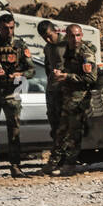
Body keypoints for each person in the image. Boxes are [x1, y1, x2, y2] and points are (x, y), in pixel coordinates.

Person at [0, 14, 33, 178]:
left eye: (11, 28)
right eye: (5, 28)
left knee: (14, 131)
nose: (9, 31)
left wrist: (19, 74)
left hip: (12, 94)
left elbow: (31, 70)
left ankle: (15, 166)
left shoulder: (20, 46)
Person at [49, 23, 98, 176]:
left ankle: (70, 165)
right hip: (68, 97)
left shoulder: (86, 53)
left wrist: (66, 77)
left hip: (80, 98)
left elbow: (91, 77)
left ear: (81, 36)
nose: (75, 39)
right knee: (61, 131)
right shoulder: (67, 51)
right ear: (67, 36)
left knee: (74, 133)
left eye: (78, 35)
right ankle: (53, 163)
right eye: (72, 36)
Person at [38, 20, 68, 166]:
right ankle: (59, 158)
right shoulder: (47, 48)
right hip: (53, 90)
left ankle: (67, 158)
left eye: (49, 36)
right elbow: (47, 67)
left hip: (66, 89)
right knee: (55, 125)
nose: (48, 40)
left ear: (55, 30)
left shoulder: (67, 44)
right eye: (44, 37)